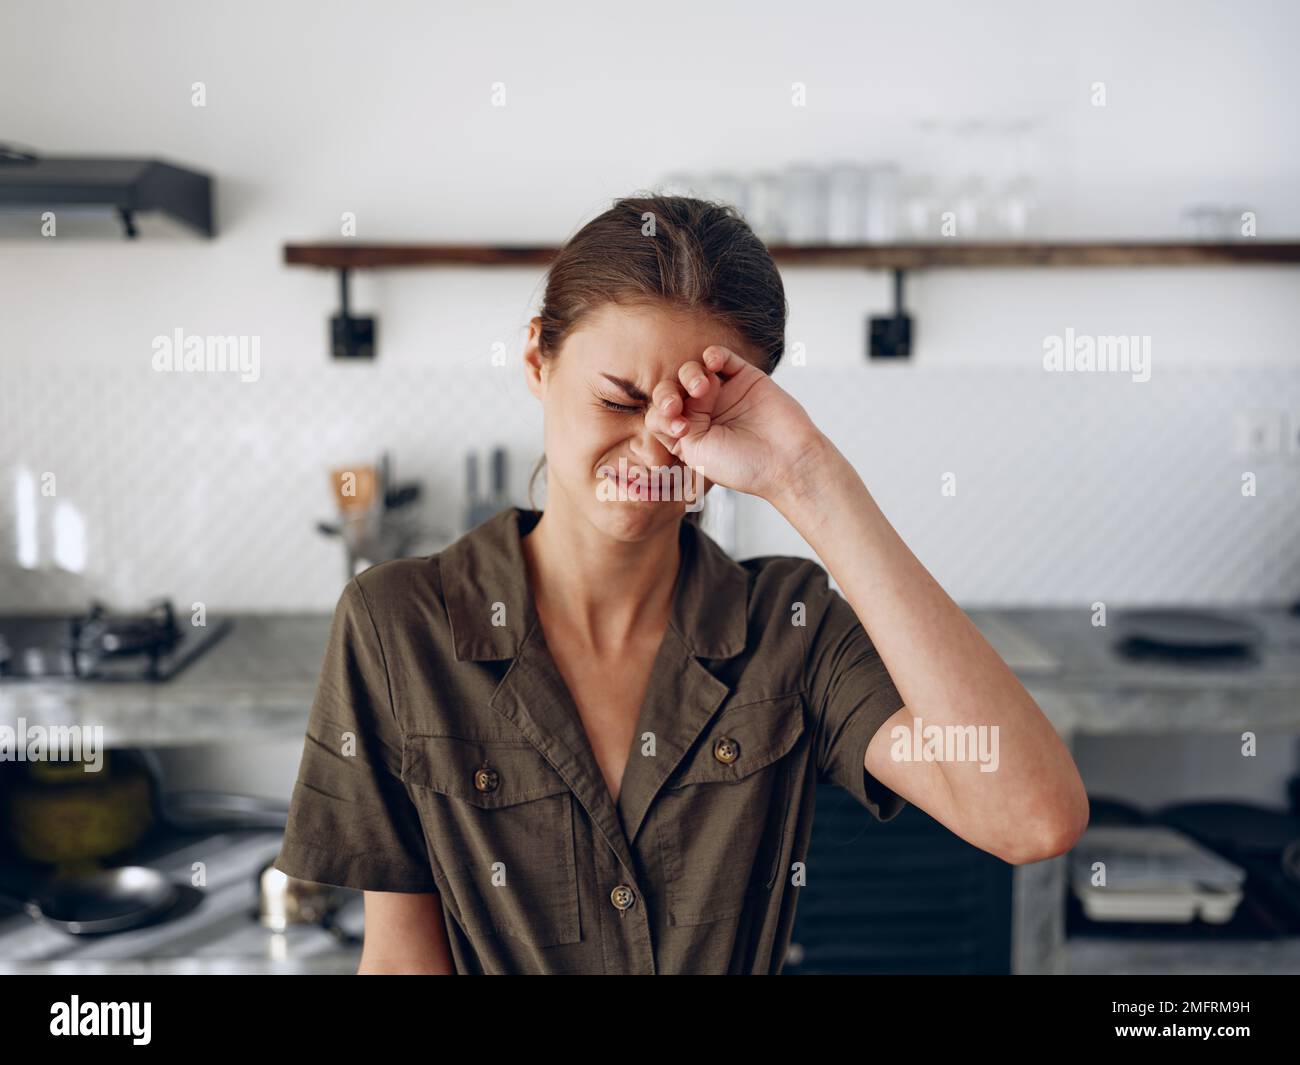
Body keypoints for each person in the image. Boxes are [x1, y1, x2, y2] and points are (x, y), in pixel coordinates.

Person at [273, 194, 1089, 974]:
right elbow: (402, 956)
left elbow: (1030, 816)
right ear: (536, 358)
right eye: (619, 400)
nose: (657, 451)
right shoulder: (396, 625)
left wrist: (808, 476)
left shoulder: (790, 627)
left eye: (700, 417)